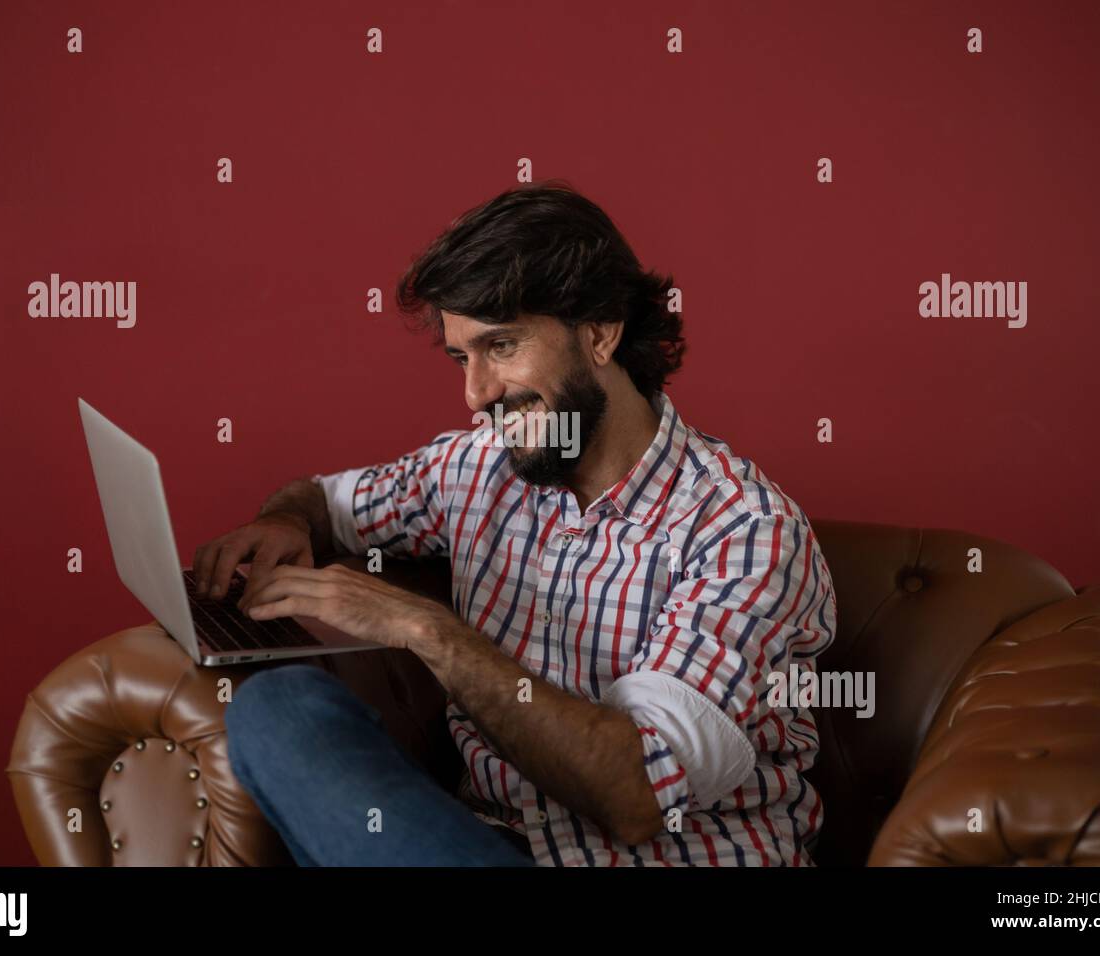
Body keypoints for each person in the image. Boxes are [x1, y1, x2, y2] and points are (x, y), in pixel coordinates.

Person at [197, 180, 838, 866]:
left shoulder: (743, 529)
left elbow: (636, 795)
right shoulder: (475, 467)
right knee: (279, 708)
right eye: (460, 357)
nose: (477, 395)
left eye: (500, 346)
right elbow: (325, 499)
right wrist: (287, 519)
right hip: (483, 850)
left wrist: (425, 629)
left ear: (599, 331)